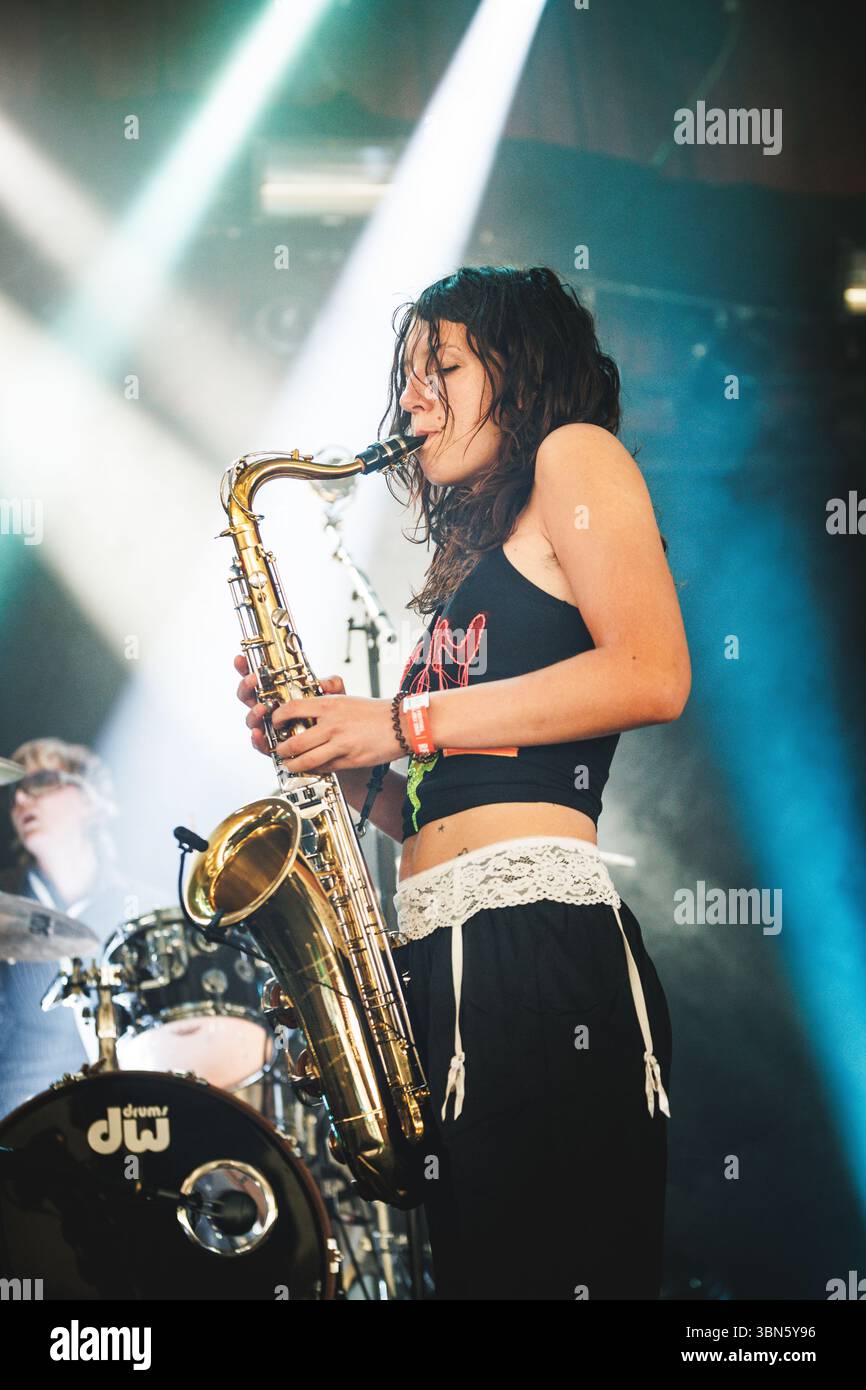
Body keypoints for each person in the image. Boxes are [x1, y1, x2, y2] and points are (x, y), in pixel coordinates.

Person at [235, 264, 691, 1300]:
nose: (409, 397)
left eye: (439, 364)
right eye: (407, 371)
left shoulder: (575, 454)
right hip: (448, 954)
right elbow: (450, 802)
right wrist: (346, 761)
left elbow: (652, 672)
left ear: (522, 368)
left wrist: (396, 721)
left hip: (535, 941)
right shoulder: (483, 555)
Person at [0, 737, 153, 1118]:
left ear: (89, 800)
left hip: (130, 1113)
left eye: (41, 782)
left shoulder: (145, 907)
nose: (21, 800)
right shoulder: (5, 905)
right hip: (20, 1119)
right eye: (16, 791)